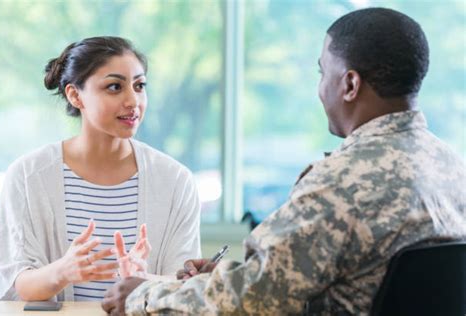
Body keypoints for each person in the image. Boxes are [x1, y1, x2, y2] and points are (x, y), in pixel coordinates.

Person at [102, 7, 466, 315]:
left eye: (323, 72)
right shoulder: (453, 168)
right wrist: (225, 277)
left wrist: (142, 296)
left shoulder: (340, 183)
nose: (321, 88)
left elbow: (256, 297)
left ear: (350, 85)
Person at [0, 36, 201, 301]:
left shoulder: (175, 181)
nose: (133, 101)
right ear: (75, 94)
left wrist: (145, 281)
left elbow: (183, 287)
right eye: (115, 87)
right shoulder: (26, 176)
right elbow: (15, 285)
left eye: (139, 86)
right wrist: (63, 271)